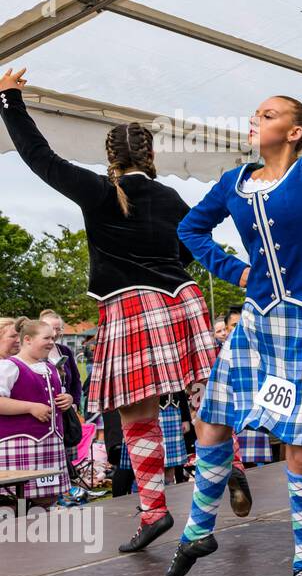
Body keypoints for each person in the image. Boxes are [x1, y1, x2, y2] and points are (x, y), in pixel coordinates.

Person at [167, 0, 302, 576]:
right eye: (255, 112)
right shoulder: (232, 182)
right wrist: (238, 270)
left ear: (295, 130)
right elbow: (189, 231)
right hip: (259, 317)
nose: (255, 119)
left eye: (268, 113)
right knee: (212, 417)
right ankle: (200, 528)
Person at [1, 66, 223, 549]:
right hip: (182, 299)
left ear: (111, 158)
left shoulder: (101, 191)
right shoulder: (171, 197)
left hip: (130, 306)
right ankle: (230, 476)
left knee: (136, 416)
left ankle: (154, 510)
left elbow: (40, 158)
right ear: (151, 155)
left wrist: (11, 101)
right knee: (203, 398)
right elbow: (190, 246)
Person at [0, 318, 74, 506]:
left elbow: (59, 394)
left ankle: (38, 531)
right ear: (28, 340)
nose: (52, 342)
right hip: (19, 443)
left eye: (53, 338)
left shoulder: (51, 368)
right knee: (16, 499)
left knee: (48, 498)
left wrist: (68, 399)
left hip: (51, 441)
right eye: (47, 338)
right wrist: (30, 407)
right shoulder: (9, 366)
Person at [40, 310, 86, 504]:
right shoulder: (34, 352)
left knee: (65, 453)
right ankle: (53, 497)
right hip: (45, 411)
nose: (56, 334)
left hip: (66, 410)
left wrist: (74, 402)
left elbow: (76, 379)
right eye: (51, 330)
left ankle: (64, 494)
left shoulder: (64, 351)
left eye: (58, 330)